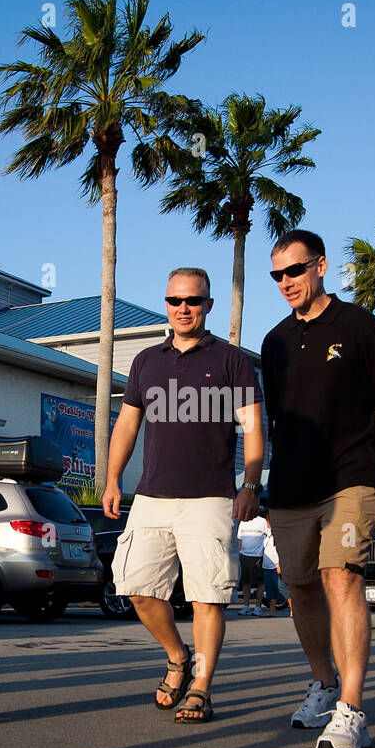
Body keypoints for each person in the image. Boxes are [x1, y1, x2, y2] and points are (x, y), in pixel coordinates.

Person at [261, 229, 375, 748]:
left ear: (320, 266)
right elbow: (278, 416)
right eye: (277, 275)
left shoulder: (362, 327)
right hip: (290, 487)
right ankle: (323, 685)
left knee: (340, 576)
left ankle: (352, 708)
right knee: (300, 587)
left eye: (295, 271)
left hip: (350, 480)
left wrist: (368, 458)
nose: (286, 282)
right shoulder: (274, 341)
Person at [102, 267, 264, 723]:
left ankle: (201, 687)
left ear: (208, 305)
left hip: (211, 499)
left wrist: (249, 484)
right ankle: (178, 655)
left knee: (207, 597)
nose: (183, 308)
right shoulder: (146, 362)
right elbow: (128, 425)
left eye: (193, 300)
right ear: (166, 304)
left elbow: (253, 427)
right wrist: (114, 479)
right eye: (175, 300)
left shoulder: (232, 361)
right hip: (152, 496)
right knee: (134, 585)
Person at [236, 512, 269, 615]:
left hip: (257, 558)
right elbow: (239, 540)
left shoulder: (262, 521)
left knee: (259, 583)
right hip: (244, 556)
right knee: (245, 583)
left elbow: (270, 536)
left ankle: (258, 607)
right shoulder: (243, 522)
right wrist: (239, 555)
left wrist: (263, 556)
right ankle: (246, 606)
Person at [261, 515, 285, 617]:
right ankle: (272, 612)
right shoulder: (269, 534)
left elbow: (281, 550)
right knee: (270, 589)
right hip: (267, 565)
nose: (266, 522)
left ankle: (294, 610)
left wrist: (279, 564)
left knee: (282, 589)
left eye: (267, 520)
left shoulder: (278, 534)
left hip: (275, 566)